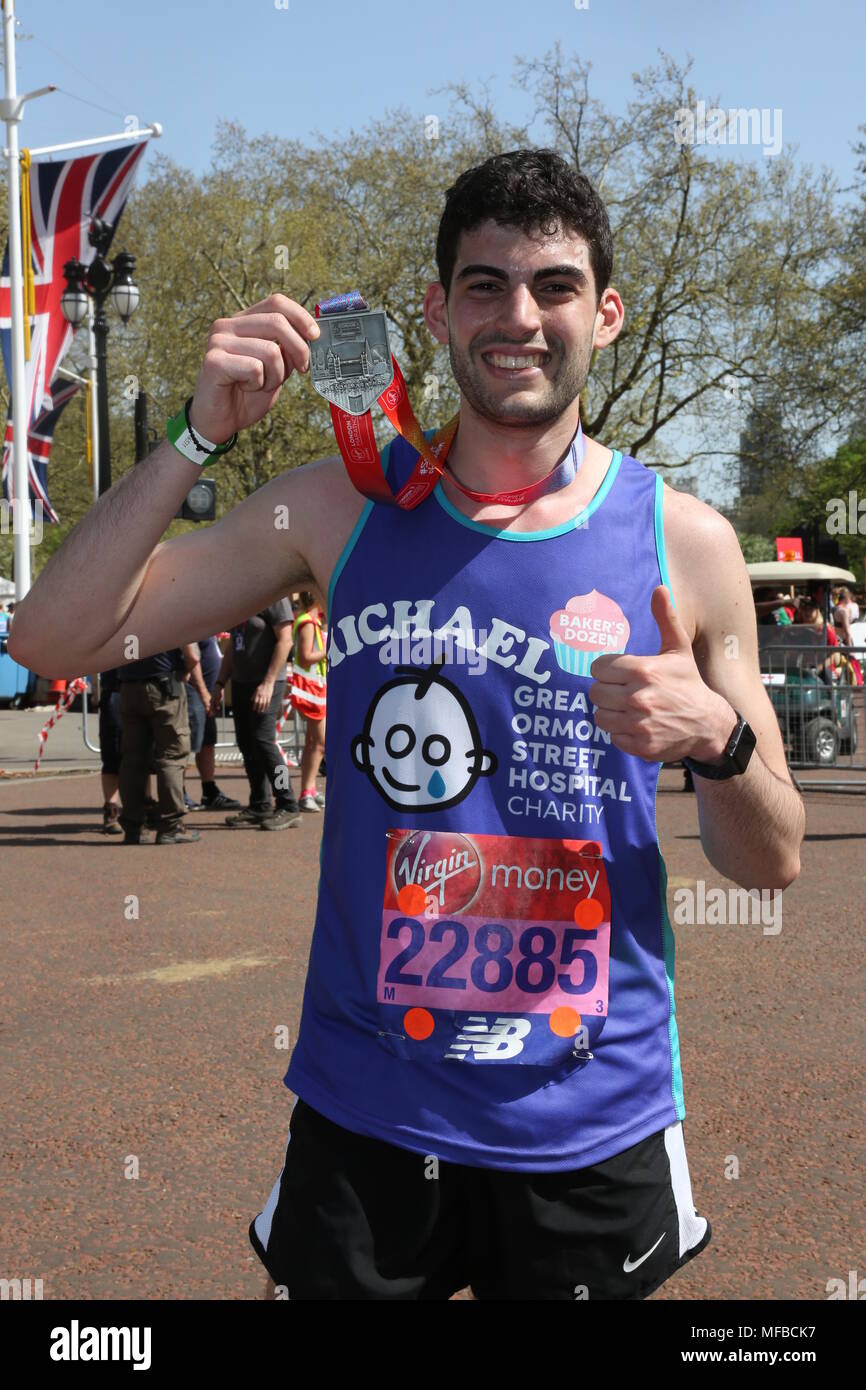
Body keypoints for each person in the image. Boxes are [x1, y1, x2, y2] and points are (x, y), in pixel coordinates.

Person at [10, 148, 806, 1301]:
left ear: (608, 313)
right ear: (435, 310)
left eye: (555, 287)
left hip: (589, 1123)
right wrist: (194, 437)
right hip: (371, 1117)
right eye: (483, 285)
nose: (518, 318)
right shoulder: (336, 508)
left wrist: (715, 744)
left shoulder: (685, 544)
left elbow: (768, 856)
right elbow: (52, 638)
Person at [209, 603, 300, 830]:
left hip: (267, 682)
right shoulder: (244, 596)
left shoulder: (276, 597)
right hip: (242, 683)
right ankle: (260, 804)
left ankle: (288, 804)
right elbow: (232, 647)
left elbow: (285, 641)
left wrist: (268, 683)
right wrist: (220, 683)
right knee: (247, 744)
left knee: (263, 741)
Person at [116, 644, 202, 845]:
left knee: (132, 761)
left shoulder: (120, 612)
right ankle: (171, 826)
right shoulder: (168, 611)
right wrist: (185, 671)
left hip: (128, 686)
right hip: (164, 686)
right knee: (171, 757)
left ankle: (133, 827)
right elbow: (193, 655)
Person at [184, 633, 241, 811]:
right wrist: (203, 692)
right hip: (194, 692)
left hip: (207, 692)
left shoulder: (206, 623)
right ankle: (179, 793)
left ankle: (209, 790)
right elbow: (191, 658)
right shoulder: (192, 620)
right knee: (186, 745)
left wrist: (217, 685)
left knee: (208, 741)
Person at [290, 590, 327, 811]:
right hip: (311, 691)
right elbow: (305, 656)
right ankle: (306, 792)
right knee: (320, 743)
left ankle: (309, 789)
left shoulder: (311, 621)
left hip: (315, 689)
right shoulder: (308, 622)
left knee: (313, 743)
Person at [97, 666, 123, 834]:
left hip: (141, 688)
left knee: (143, 754)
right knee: (112, 754)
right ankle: (111, 809)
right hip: (115, 689)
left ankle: (146, 803)